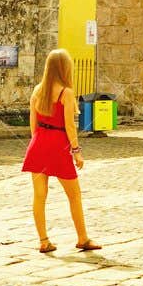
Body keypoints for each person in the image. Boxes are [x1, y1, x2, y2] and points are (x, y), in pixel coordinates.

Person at [21, 48, 100, 253]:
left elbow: (33, 125)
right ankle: (82, 237)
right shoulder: (66, 93)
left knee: (39, 195)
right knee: (74, 195)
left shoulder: (37, 90)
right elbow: (69, 126)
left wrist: (38, 142)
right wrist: (76, 151)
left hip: (38, 143)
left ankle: (44, 240)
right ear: (65, 69)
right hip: (58, 145)